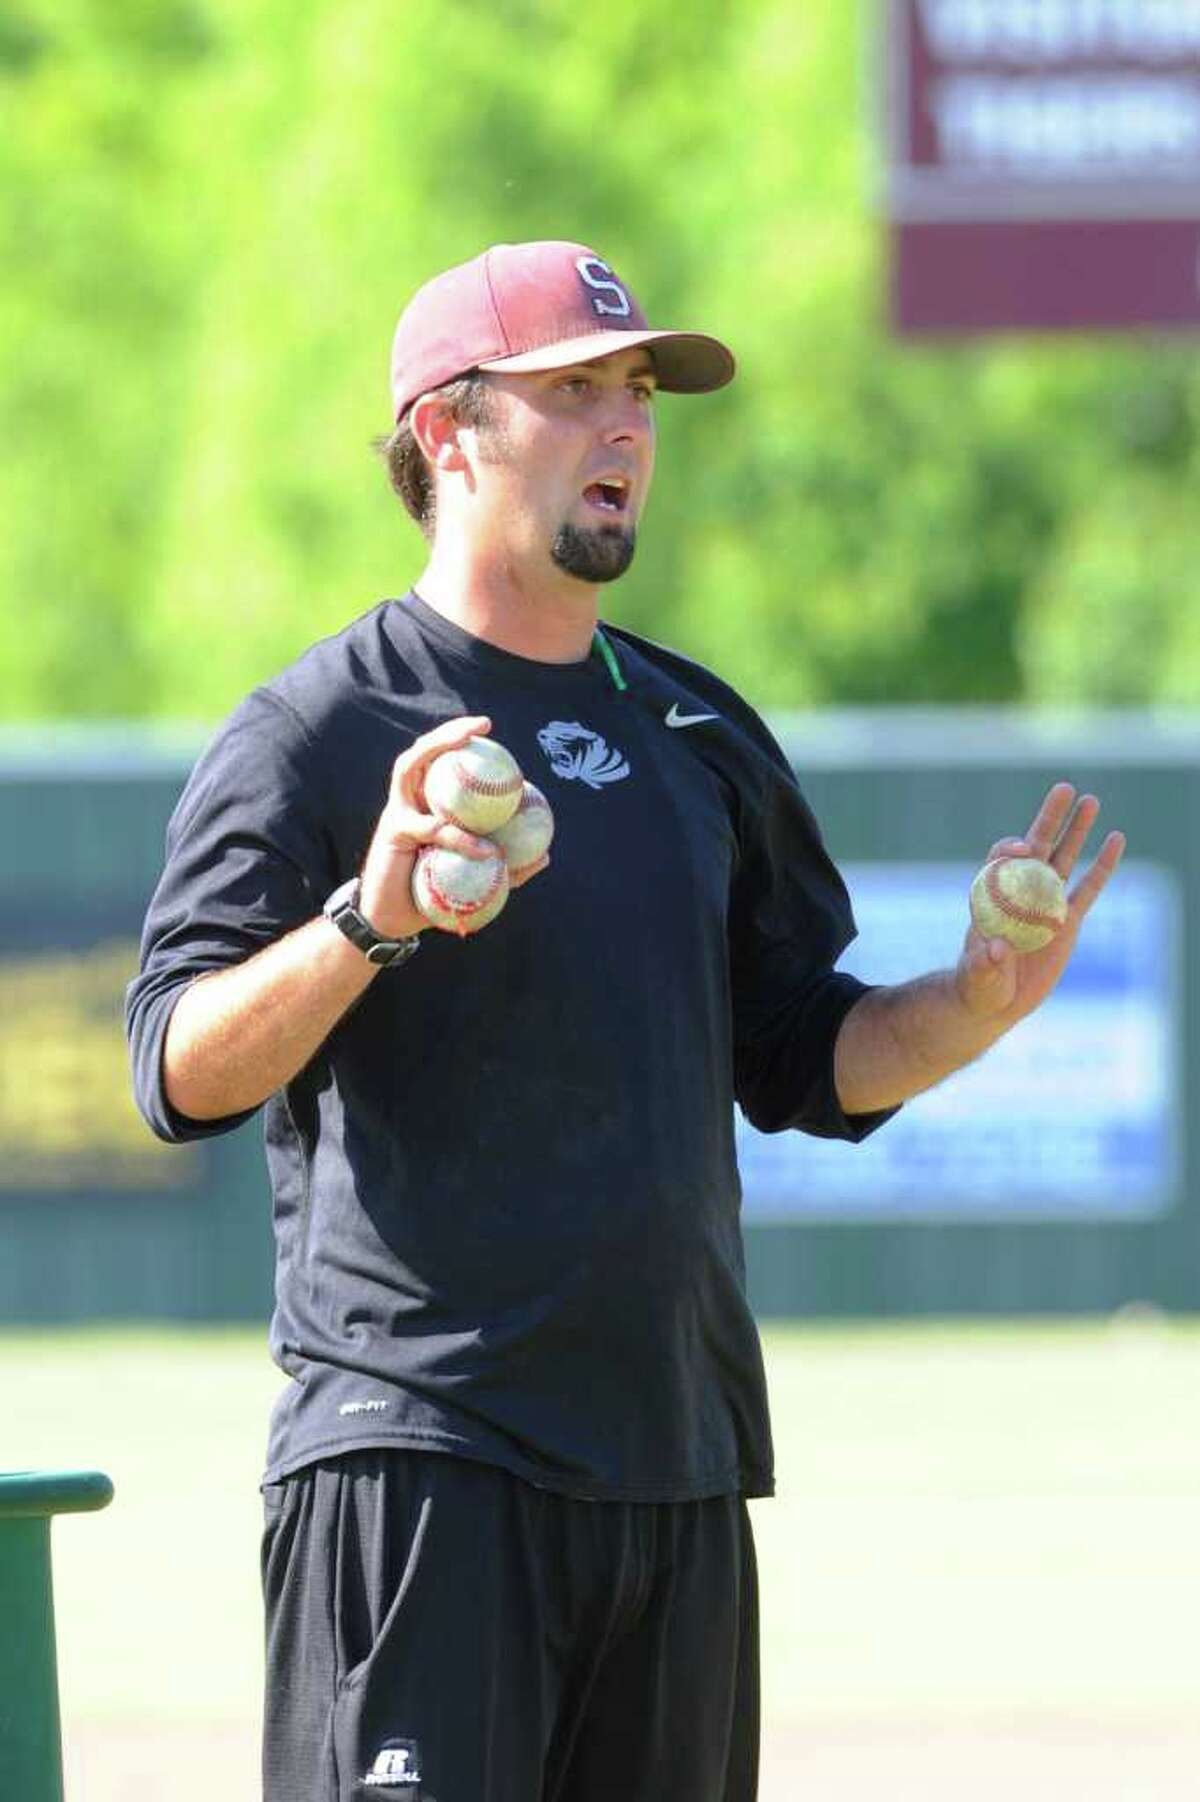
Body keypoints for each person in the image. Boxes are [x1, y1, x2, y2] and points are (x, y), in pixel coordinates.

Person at [127, 239, 1124, 1802]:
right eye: (576, 389)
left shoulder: (696, 731)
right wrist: (367, 919)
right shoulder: (318, 730)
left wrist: (978, 1001)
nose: (628, 428)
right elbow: (174, 1069)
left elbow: (806, 1054)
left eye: (641, 391)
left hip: (676, 1475)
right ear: (448, 433)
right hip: (423, 1464)